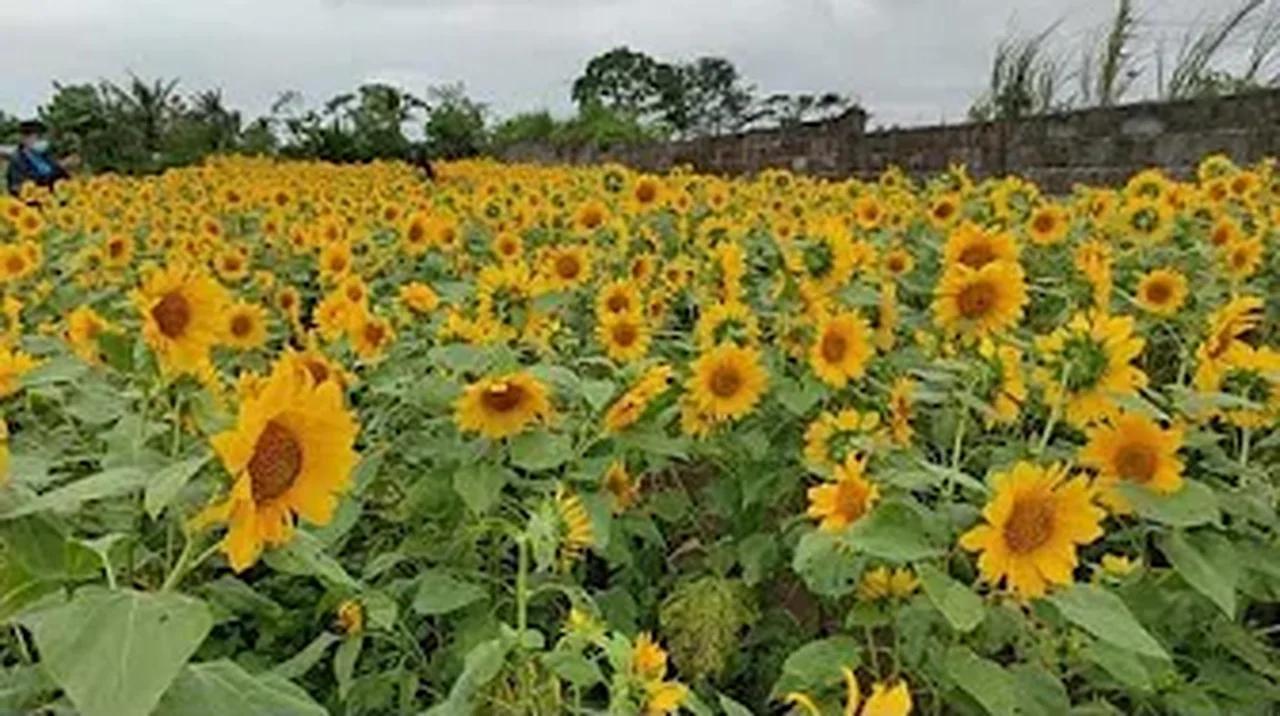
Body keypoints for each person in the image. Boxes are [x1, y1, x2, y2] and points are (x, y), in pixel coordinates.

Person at [6, 120, 69, 196]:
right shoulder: (17, 159)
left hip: (55, 196)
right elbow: (17, 186)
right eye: (33, 137)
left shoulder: (44, 155)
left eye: (38, 137)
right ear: (23, 138)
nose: (36, 140)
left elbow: (59, 171)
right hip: (33, 200)